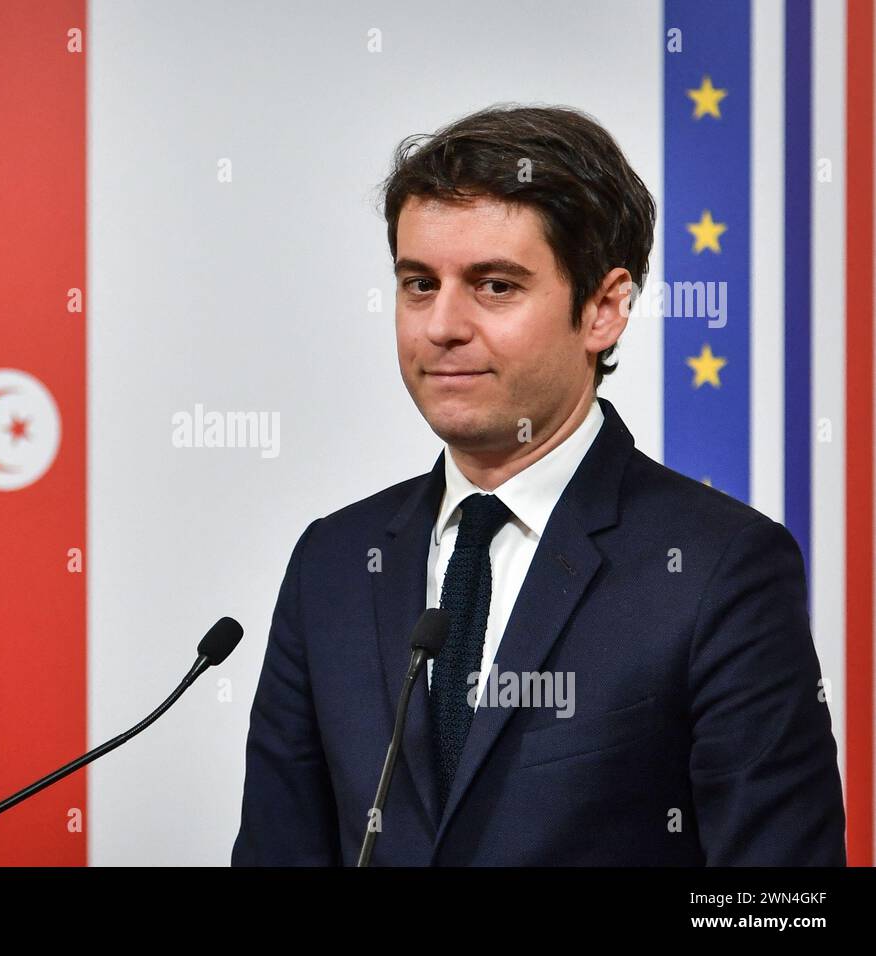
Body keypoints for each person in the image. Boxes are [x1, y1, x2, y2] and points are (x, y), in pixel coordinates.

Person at [230, 104, 846, 866]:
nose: (442, 326)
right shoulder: (333, 561)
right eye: (419, 284)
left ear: (604, 310)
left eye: (493, 286)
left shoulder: (721, 567)